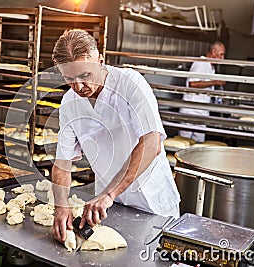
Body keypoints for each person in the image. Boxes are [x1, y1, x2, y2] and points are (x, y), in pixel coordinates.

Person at [50, 29, 180, 243]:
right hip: (110, 208)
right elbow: (62, 162)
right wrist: (61, 205)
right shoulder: (69, 104)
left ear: (101, 61)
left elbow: (151, 143)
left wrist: (110, 194)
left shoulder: (130, 83)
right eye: (69, 79)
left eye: (85, 76)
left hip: (153, 202)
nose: (79, 87)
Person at [179, 41, 226, 143]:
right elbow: (193, 84)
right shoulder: (201, 63)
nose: (222, 58)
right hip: (191, 110)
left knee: (198, 145)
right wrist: (215, 82)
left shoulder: (211, 66)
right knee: (184, 143)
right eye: (221, 54)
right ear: (213, 52)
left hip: (202, 111)